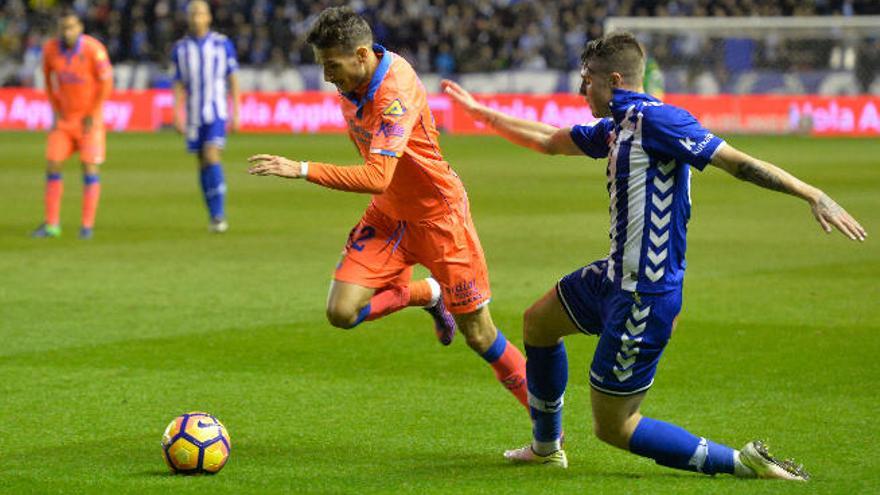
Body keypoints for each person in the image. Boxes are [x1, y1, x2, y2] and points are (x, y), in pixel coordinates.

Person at [441, 31, 866, 477]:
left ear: (615, 79)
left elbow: (737, 162)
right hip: (613, 277)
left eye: (587, 80)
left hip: (643, 294)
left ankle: (743, 463)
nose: (581, 89)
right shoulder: (620, 125)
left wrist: (812, 194)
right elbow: (550, 139)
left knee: (615, 427)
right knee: (539, 323)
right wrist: (482, 113)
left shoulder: (660, 122)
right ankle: (547, 447)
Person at [247, 7, 530, 415]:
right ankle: (428, 294)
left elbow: (378, 174)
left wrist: (302, 169)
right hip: (389, 215)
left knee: (480, 336)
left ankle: (547, 431)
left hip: (439, 218)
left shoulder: (395, 92)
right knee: (341, 312)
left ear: (362, 54)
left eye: (332, 66)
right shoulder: (353, 85)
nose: (328, 77)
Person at [32, 9, 113, 240]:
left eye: (71, 27)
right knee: (53, 164)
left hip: (90, 121)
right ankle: (52, 225)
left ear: (80, 28)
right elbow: (48, 80)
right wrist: (55, 109)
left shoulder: (93, 50)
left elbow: (107, 83)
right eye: (63, 28)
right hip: (65, 120)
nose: (67, 32)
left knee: (89, 168)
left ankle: (87, 226)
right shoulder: (50, 50)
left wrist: (94, 112)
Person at [170, 0, 241, 233]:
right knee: (201, 161)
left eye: (200, 13)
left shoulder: (222, 45)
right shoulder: (180, 49)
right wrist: (176, 112)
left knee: (211, 155)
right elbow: (179, 83)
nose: (196, 17)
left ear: (209, 17)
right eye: (192, 13)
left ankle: (220, 214)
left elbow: (233, 80)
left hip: (216, 111)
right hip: (193, 114)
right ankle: (213, 215)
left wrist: (236, 112)